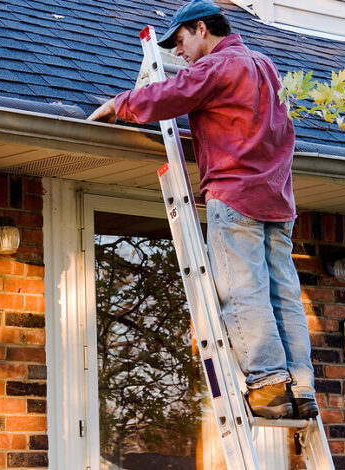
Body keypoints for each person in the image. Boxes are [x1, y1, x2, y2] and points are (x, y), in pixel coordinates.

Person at [88, 0, 318, 420]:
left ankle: (268, 386)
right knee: (283, 294)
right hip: (277, 201)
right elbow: (268, 133)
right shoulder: (265, 65)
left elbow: (173, 93)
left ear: (200, 29)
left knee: (242, 291)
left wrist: (122, 103)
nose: (177, 53)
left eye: (179, 41)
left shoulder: (219, 65)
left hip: (236, 199)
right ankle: (300, 386)